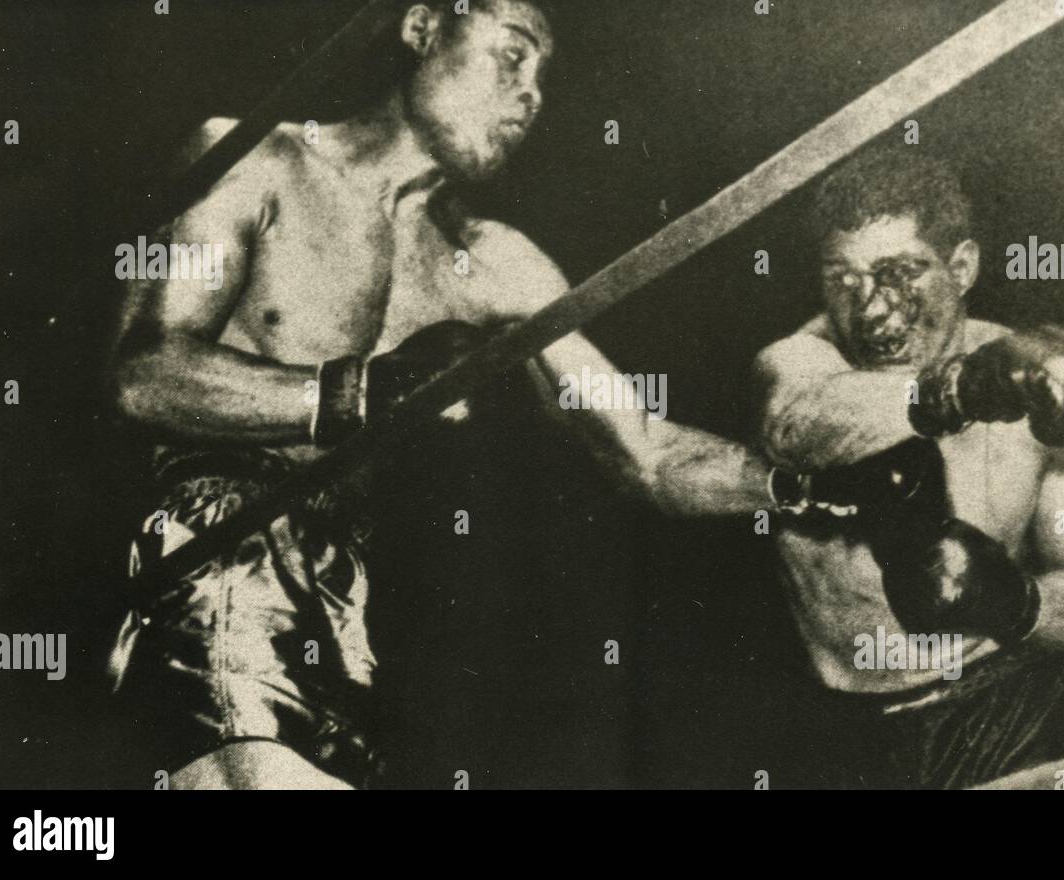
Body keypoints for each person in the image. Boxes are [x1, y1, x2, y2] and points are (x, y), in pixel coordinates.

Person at [105, 0, 770, 789]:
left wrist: (794, 484)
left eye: (544, 78)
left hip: (354, 595)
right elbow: (142, 373)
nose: (532, 96)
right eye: (512, 55)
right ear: (422, 29)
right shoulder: (254, 158)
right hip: (221, 543)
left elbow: (649, 456)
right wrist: (354, 394)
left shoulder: (494, 264)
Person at [751, 147, 1064, 788]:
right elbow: (797, 425)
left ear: (961, 266)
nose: (870, 308)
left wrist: (1017, 603)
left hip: (1000, 706)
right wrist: (968, 390)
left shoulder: (1036, 392)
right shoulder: (803, 361)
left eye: (899, 273)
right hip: (844, 727)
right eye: (844, 280)